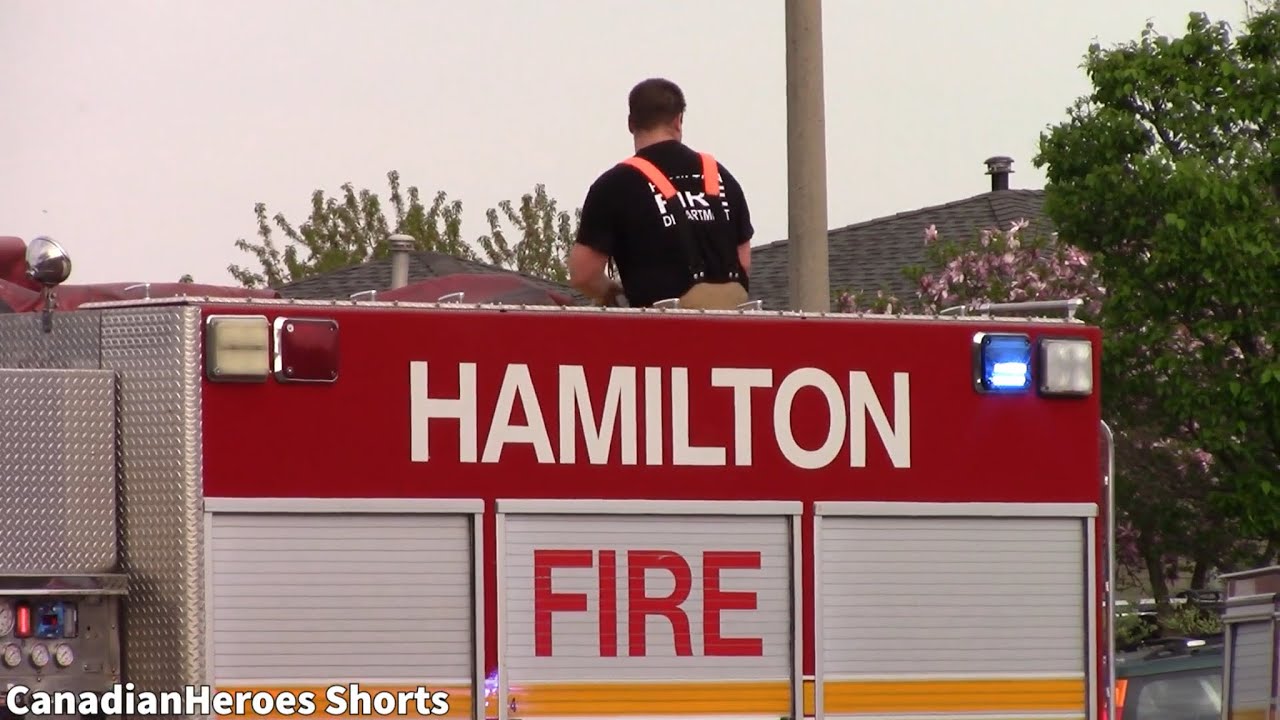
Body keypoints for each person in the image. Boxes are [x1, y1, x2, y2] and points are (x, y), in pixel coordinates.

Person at [568, 78, 753, 309]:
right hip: (734, 328)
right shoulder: (720, 176)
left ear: (631, 123)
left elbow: (583, 273)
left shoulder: (615, 185)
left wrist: (616, 295)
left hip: (660, 334)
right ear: (678, 120)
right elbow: (743, 262)